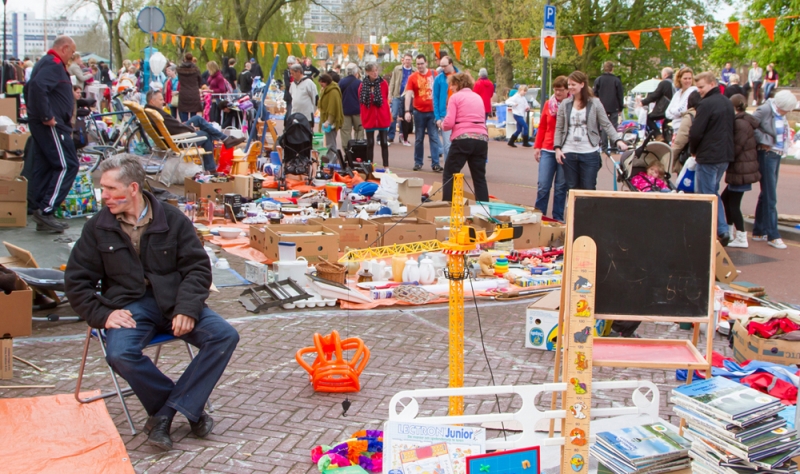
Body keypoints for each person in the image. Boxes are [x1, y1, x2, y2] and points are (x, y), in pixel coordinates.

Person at [64, 154, 239, 451]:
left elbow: (197, 268)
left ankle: (163, 415)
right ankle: (184, 408)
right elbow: (76, 282)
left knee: (224, 336)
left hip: (174, 302)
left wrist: (187, 308)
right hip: (130, 306)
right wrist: (103, 315)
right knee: (119, 354)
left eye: (110, 188)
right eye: (102, 188)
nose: (103, 195)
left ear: (133, 188)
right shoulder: (98, 227)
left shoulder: (172, 219)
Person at [23, 35, 79, 233]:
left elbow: (29, 87)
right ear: (64, 49)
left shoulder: (46, 63)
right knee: (67, 165)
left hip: (48, 123)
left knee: (46, 165)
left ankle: (39, 207)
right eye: (71, 53)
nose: (72, 57)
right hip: (52, 125)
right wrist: (46, 115)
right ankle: (46, 210)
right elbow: (37, 87)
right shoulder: (53, 64)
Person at [554, 71, 627, 191]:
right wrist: (557, 148)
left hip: (589, 151)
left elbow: (606, 124)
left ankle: (586, 210)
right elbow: (559, 127)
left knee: (588, 187)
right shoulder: (565, 104)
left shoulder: (595, 103)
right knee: (571, 188)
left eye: (573, 84)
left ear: (582, 84)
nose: (570, 87)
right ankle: (573, 210)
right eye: (569, 84)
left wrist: (618, 140)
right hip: (569, 151)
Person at [144, 90, 243, 173]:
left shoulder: (149, 111)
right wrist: (191, 129)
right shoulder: (157, 114)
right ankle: (213, 165)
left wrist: (185, 126)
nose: (163, 102)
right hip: (178, 140)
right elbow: (174, 127)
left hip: (172, 137)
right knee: (207, 134)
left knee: (197, 119)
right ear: (152, 101)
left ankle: (224, 140)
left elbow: (173, 126)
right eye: (161, 99)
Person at [688, 71, 735, 245]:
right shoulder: (727, 103)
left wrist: (693, 151)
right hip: (725, 154)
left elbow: (696, 132)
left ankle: (716, 230)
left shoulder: (705, 104)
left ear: (712, 84)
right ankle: (720, 229)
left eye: (701, 87)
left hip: (708, 154)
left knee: (706, 195)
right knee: (713, 192)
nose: (699, 90)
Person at [751, 90, 798, 250]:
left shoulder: (777, 111)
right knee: (771, 196)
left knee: (767, 194)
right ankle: (773, 235)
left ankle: (759, 230)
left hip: (776, 154)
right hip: (767, 154)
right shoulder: (765, 110)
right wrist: (764, 141)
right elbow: (751, 126)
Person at [441, 72, 489, 202]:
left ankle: (448, 208)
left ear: (458, 84)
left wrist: (441, 124)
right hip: (481, 138)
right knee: (479, 178)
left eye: (452, 85)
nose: (450, 88)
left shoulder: (455, 98)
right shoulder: (478, 97)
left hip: (463, 137)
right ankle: (484, 211)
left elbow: (449, 122)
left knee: (449, 174)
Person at [722, 94, 761, 249]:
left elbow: (736, 147)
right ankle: (731, 232)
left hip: (740, 170)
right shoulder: (746, 122)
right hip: (743, 169)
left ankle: (741, 236)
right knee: (727, 199)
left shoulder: (740, 124)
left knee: (733, 204)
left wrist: (726, 157)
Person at [533, 76, 569, 222]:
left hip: (565, 149)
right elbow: (542, 126)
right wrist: (537, 146)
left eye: (561, 90)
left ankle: (558, 219)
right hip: (548, 147)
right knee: (543, 185)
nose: (558, 93)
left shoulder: (572, 105)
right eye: (556, 90)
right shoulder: (549, 104)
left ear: (567, 90)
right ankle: (539, 216)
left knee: (561, 187)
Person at [404, 54, 442, 172]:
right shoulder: (412, 77)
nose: (420, 66)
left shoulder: (434, 74)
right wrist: (407, 111)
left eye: (421, 63)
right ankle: (418, 162)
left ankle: (435, 163)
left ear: (426, 63)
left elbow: (440, 91)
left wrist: (440, 111)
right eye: (418, 64)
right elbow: (409, 94)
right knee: (419, 138)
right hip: (419, 111)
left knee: (434, 137)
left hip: (432, 112)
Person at [359, 62, 391, 167]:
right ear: (367, 72)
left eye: (376, 70)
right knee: (370, 143)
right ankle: (369, 166)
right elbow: (361, 102)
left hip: (382, 116)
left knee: (384, 143)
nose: (375, 73)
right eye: (372, 71)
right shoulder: (362, 85)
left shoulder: (384, 83)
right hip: (369, 117)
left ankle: (386, 166)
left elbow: (385, 97)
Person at [592, 61, 624, 153]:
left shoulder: (599, 79)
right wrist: (620, 108)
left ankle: (604, 147)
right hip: (614, 106)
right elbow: (620, 95)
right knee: (613, 126)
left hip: (601, 106)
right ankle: (613, 146)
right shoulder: (616, 80)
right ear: (612, 69)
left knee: (603, 126)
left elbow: (595, 93)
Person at [669, 90, 701, 174]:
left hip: (690, 158)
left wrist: (671, 159)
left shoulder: (689, 117)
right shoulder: (708, 114)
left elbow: (680, 141)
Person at [640, 67, 674, 141]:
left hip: (664, 108)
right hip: (672, 109)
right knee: (665, 123)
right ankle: (666, 138)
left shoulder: (664, 83)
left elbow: (655, 95)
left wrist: (643, 102)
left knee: (649, 118)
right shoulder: (674, 83)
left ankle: (658, 135)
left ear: (665, 74)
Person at [388, 53, 414, 145]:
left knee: (404, 116)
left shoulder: (414, 71)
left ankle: (402, 135)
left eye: (409, 59)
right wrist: (390, 94)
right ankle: (390, 136)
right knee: (394, 115)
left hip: (408, 96)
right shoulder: (397, 69)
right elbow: (392, 82)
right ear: (403, 60)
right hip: (397, 95)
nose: (407, 61)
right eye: (406, 59)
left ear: (411, 60)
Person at [434, 55, 456, 160]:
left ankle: (455, 168)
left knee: (457, 143)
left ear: (451, 64)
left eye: (444, 66)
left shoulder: (459, 76)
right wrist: (438, 117)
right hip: (445, 113)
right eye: (441, 66)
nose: (442, 68)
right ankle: (449, 169)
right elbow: (435, 98)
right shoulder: (438, 78)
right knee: (447, 144)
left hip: (459, 113)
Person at [665, 67, 697, 139]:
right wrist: (676, 114)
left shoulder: (692, 91)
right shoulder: (677, 93)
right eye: (685, 78)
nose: (688, 81)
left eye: (689, 78)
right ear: (679, 79)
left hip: (685, 128)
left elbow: (680, 111)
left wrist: (674, 111)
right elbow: (667, 113)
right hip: (675, 128)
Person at [317, 73, 343, 159]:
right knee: (329, 142)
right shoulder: (327, 90)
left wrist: (328, 121)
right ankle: (331, 159)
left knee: (331, 143)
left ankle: (332, 160)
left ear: (326, 82)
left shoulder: (333, 91)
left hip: (331, 122)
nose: (321, 85)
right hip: (328, 120)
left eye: (322, 83)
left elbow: (333, 109)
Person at [339, 63, 365, 143]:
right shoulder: (359, 83)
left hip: (344, 111)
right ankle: (359, 147)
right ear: (356, 72)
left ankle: (347, 150)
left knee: (345, 131)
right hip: (358, 110)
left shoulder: (341, 82)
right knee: (359, 129)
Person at [176, 53, 203, 122]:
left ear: (185, 59)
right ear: (192, 59)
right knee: (193, 112)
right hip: (193, 93)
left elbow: (179, 80)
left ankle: (185, 127)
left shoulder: (180, 69)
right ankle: (193, 127)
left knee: (184, 112)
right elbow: (200, 80)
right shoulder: (196, 69)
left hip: (183, 93)